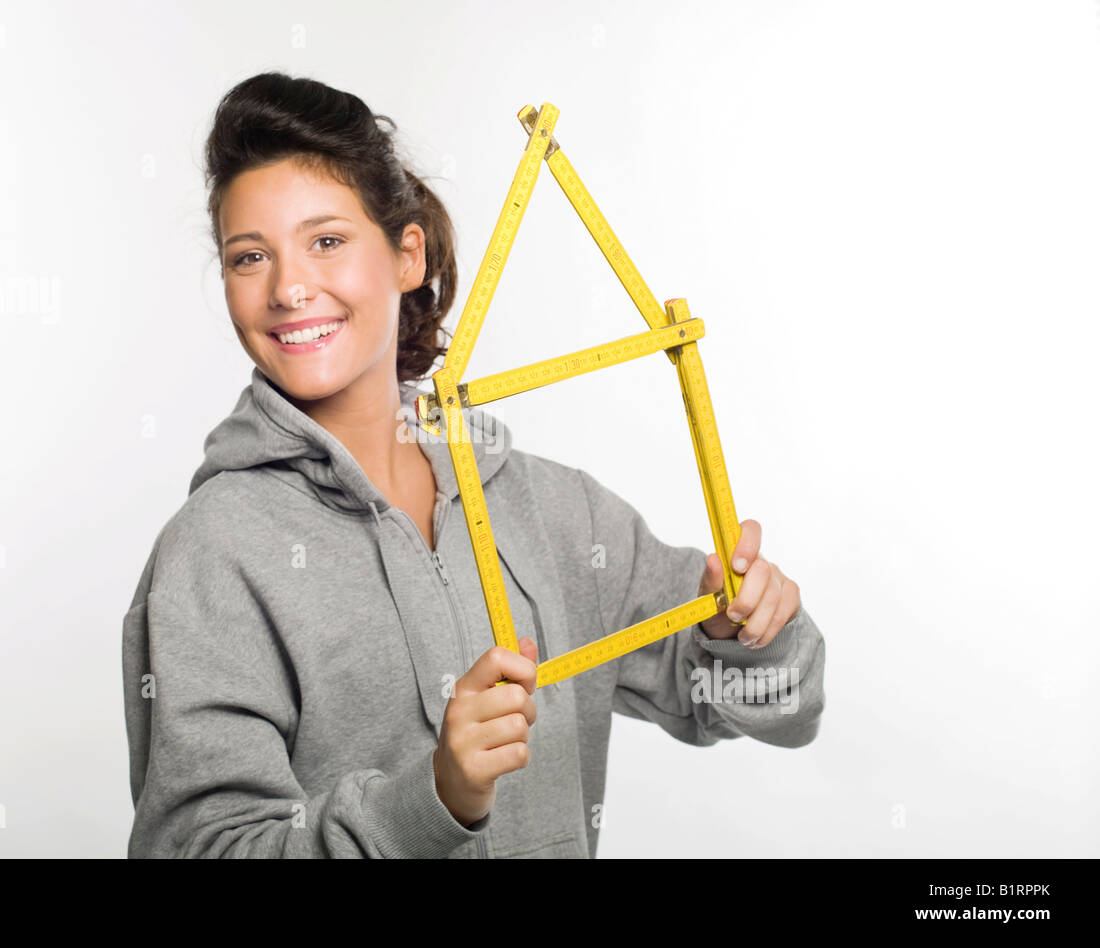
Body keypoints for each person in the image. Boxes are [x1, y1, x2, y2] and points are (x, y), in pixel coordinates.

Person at [122, 71, 826, 858]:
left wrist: (758, 637)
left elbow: (779, 708)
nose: (289, 288)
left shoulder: (559, 513)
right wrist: (432, 798)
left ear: (407, 255)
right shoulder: (215, 552)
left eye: (327, 241)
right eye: (250, 257)